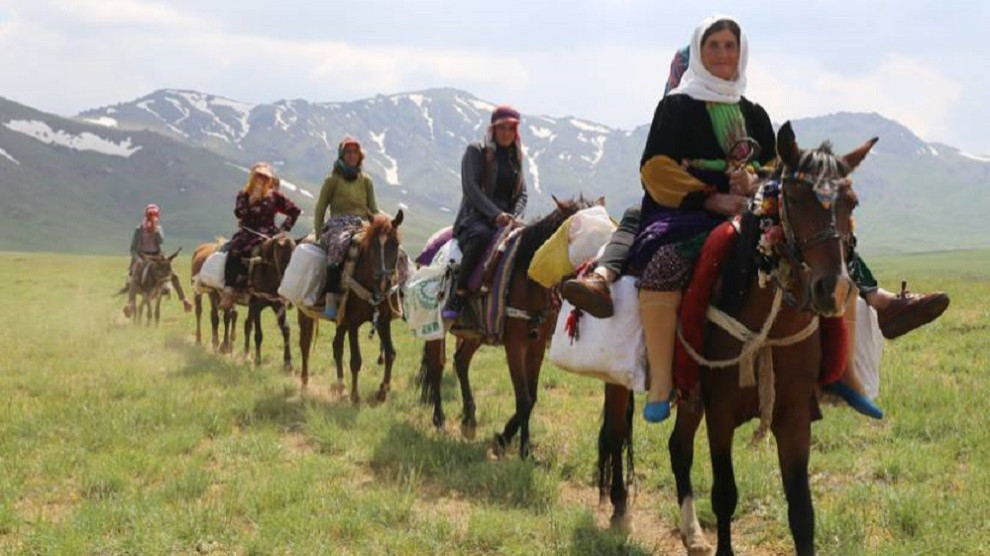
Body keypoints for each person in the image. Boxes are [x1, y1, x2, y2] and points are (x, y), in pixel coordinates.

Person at [563, 22, 948, 423]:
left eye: (730, 45)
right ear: (699, 52)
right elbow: (656, 169)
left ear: (741, 52)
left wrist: (754, 180)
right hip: (686, 213)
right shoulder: (674, 109)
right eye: (713, 45)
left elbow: (773, 168)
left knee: (823, 247)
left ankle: (855, 352)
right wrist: (711, 194)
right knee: (662, 267)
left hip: (749, 208)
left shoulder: (755, 113)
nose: (722, 53)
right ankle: (662, 382)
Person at [442, 104, 528, 319]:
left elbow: (522, 194)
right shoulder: (476, 151)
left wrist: (513, 217)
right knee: (482, 236)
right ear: (493, 129)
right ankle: (459, 294)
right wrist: (495, 214)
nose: (507, 133)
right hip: (475, 219)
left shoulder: (515, 158)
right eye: (502, 127)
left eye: (511, 128)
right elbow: (470, 187)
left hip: (507, 221)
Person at [313, 137, 380, 319]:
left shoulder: (366, 181)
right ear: (342, 156)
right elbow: (320, 208)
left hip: (362, 223)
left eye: (355, 152)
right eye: (348, 152)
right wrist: (319, 234)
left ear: (360, 156)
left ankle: (390, 295)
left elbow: (373, 209)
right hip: (338, 223)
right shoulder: (332, 180)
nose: (352, 156)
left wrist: (384, 224)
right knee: (340, 243)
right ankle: (331, 296)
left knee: (385, 247)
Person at [220, 162, 301, 308]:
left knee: (287, 252)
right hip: (248, 232)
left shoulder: (275, 197)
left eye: (265, 178)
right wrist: (251, 201)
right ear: (252, 177)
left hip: (269, 234)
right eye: (258, 176)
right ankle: (229, 289)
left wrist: (283, 228)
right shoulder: (243, 195)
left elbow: (295, 210)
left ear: (269, 180)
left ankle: (288, 289)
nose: (261, 180)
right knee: (235, 251)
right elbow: (239, 213)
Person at [123, 203, 193, 314]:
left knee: (173, 275)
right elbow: (132, 249)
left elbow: (161, 241)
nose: (152, 218)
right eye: (150, 215)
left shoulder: (158, 228)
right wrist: (138, 259)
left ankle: (184, 300)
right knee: (135, 278)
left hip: (156, 256)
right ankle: (131, 305)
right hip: (142, 256)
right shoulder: (139, 229)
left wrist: (155, 230)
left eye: (154, 216)